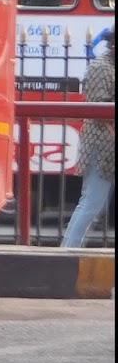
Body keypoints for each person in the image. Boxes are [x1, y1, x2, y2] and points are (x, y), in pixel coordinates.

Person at [60, 29, 115, 249]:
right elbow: (98, 110)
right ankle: (67, 253)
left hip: (107, 143)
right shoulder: (100, 68)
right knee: (92, 203)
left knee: (94, 203)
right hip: (101, 144)